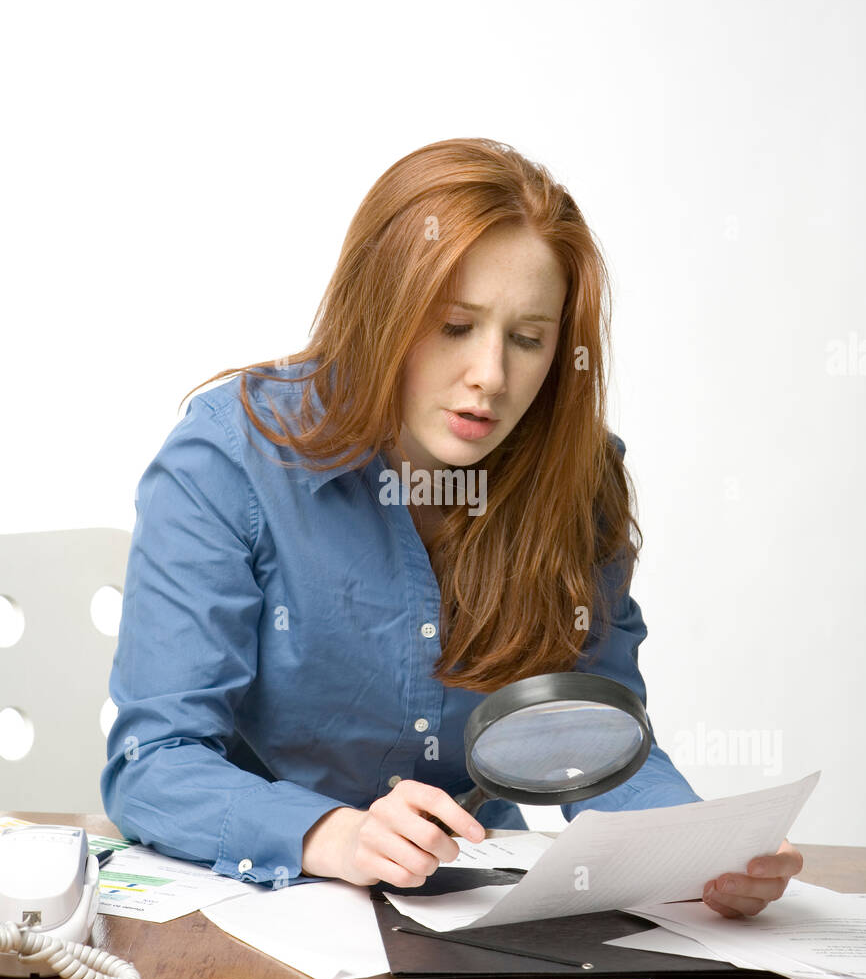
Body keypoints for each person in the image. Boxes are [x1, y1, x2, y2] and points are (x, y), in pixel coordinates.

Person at [101, 137, 802, 918]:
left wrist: (698, 853)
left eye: (528, 340)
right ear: (380, 313)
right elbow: (154, 762)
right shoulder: (229, 459)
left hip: (466, 912)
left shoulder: (577, 476)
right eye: (455, 327)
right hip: (256, 901)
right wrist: (334, 834)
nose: (491, 378)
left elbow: (601, 743)